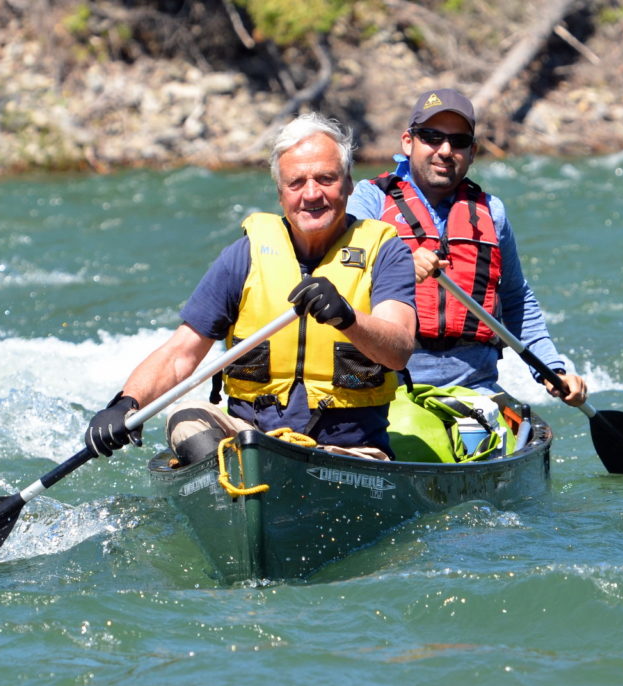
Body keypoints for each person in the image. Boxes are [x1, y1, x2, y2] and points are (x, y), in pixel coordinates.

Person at [85, 113, 417, 463]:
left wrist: (348, 319)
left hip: (349, 449)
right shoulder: (245, 256)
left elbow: (398, 349)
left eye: (326, 179)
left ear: (348, 184)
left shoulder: (386, 252)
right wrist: (127, 403)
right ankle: (231, 482)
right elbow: (181, 353)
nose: (312, 194)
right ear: (280, 193)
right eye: (296, 182)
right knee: (183, 420)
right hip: (251, 442)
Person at [346, 88, 588, 406]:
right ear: (408, 142)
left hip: (476, 390)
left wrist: (552, 369)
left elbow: (517, 301)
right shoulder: (369, 199)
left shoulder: (493, 213)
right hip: (387, 387)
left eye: (458, 142)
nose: (445, 150)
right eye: (431, 137)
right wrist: (399, 263)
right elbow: (343, 270)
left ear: (472, 152)